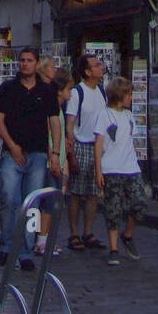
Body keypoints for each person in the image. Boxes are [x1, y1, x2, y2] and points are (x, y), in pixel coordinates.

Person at [0, 46, 61, 270]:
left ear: (36, 63)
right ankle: (5, 245)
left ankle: (26, 250)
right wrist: (11, 146)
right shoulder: (8, 88)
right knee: (9, 198)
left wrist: (55, 153)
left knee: (32, 202)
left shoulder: (47, 90)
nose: (25, 64)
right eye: (22, 60)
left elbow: (54, 122)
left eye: (29, 60)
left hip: (38, 153)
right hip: (13, 153)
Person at [94, 76, 146, 266]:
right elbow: (99, 143)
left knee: (139, 202)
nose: (130, 98)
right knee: (113, 208)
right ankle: (114, 248)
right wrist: (98, 170)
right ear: (120, 95)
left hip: (131, 168)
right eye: (128, 94)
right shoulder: (104, 115)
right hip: (111, 168)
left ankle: (128, 235)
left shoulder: (129, 116)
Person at [65, 53, 107, 251]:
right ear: (88, 71)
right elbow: (70, 123)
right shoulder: (76, 93)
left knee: (93, 193)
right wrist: (71, 153)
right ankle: (73, 232)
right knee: (76, 192)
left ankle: (88, 232)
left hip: (97, 145)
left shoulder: (101, 91)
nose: (101, 67)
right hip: (81, 144)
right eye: (97, 65)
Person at [36, 68, 73, 256]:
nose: (71, 93)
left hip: (57, 159)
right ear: (59, 90)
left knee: (53, 202)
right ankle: (41, 240)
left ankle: (46, 238)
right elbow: (47, 134)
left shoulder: (58, 108)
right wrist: (54, 157)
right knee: (48, 203)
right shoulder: (52, 108)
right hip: (51, 161)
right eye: (68, 89)